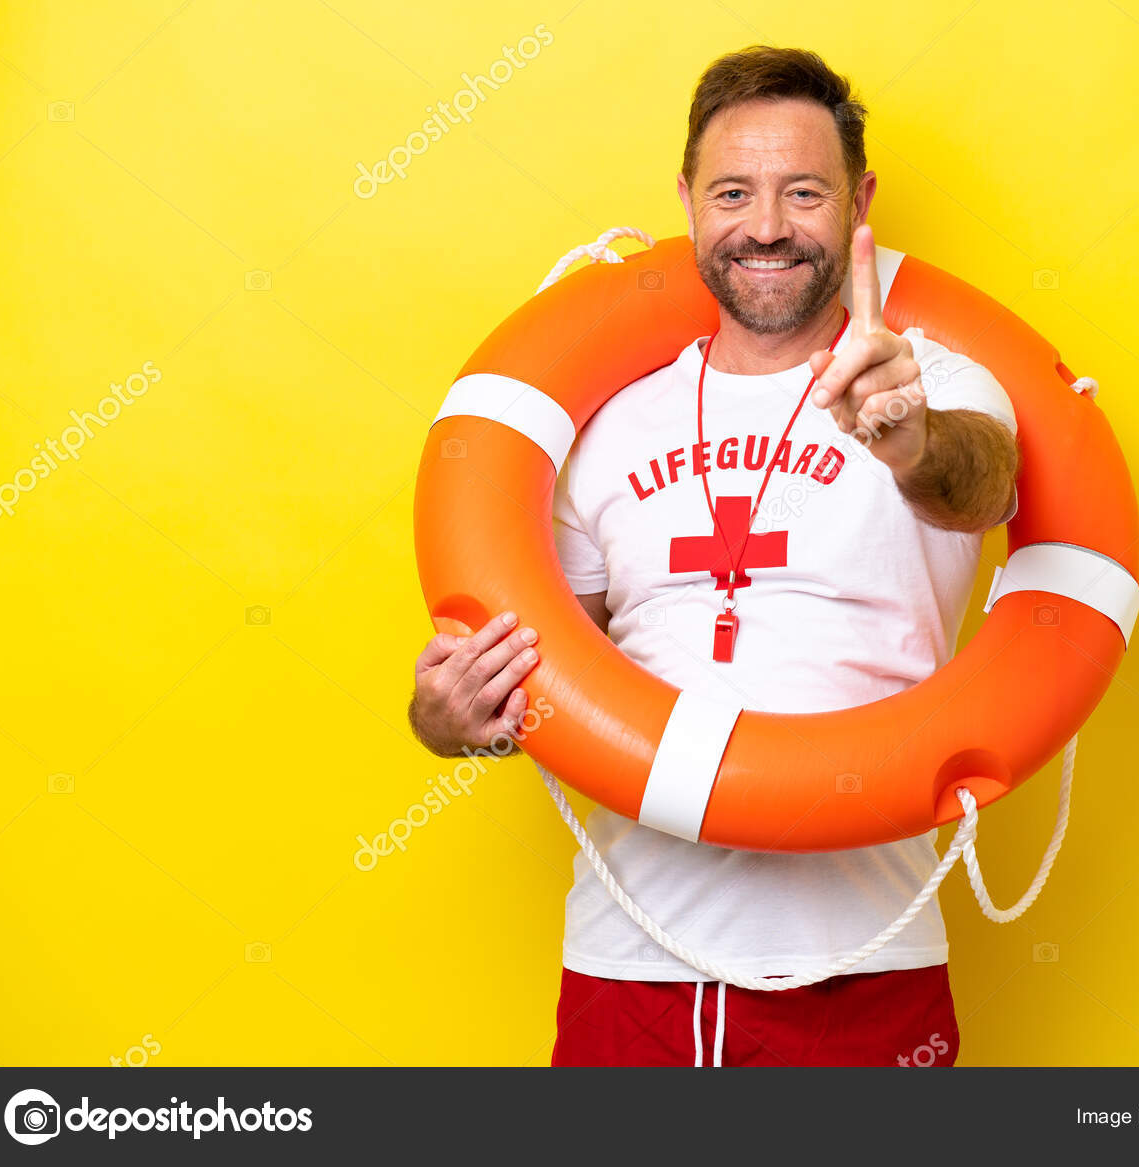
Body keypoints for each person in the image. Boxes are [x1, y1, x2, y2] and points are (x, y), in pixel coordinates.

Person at [408, 45, 1019, 1067]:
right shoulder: (602, 426)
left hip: (868, 963)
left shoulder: (937, 385)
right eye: (733, 191)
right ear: (688, 200)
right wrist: (453, 719)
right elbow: (550, 671)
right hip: (630, 965)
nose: (767, 226)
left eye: (804, 192)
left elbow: (984, 485)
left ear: (859, 201)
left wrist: (909, 439)